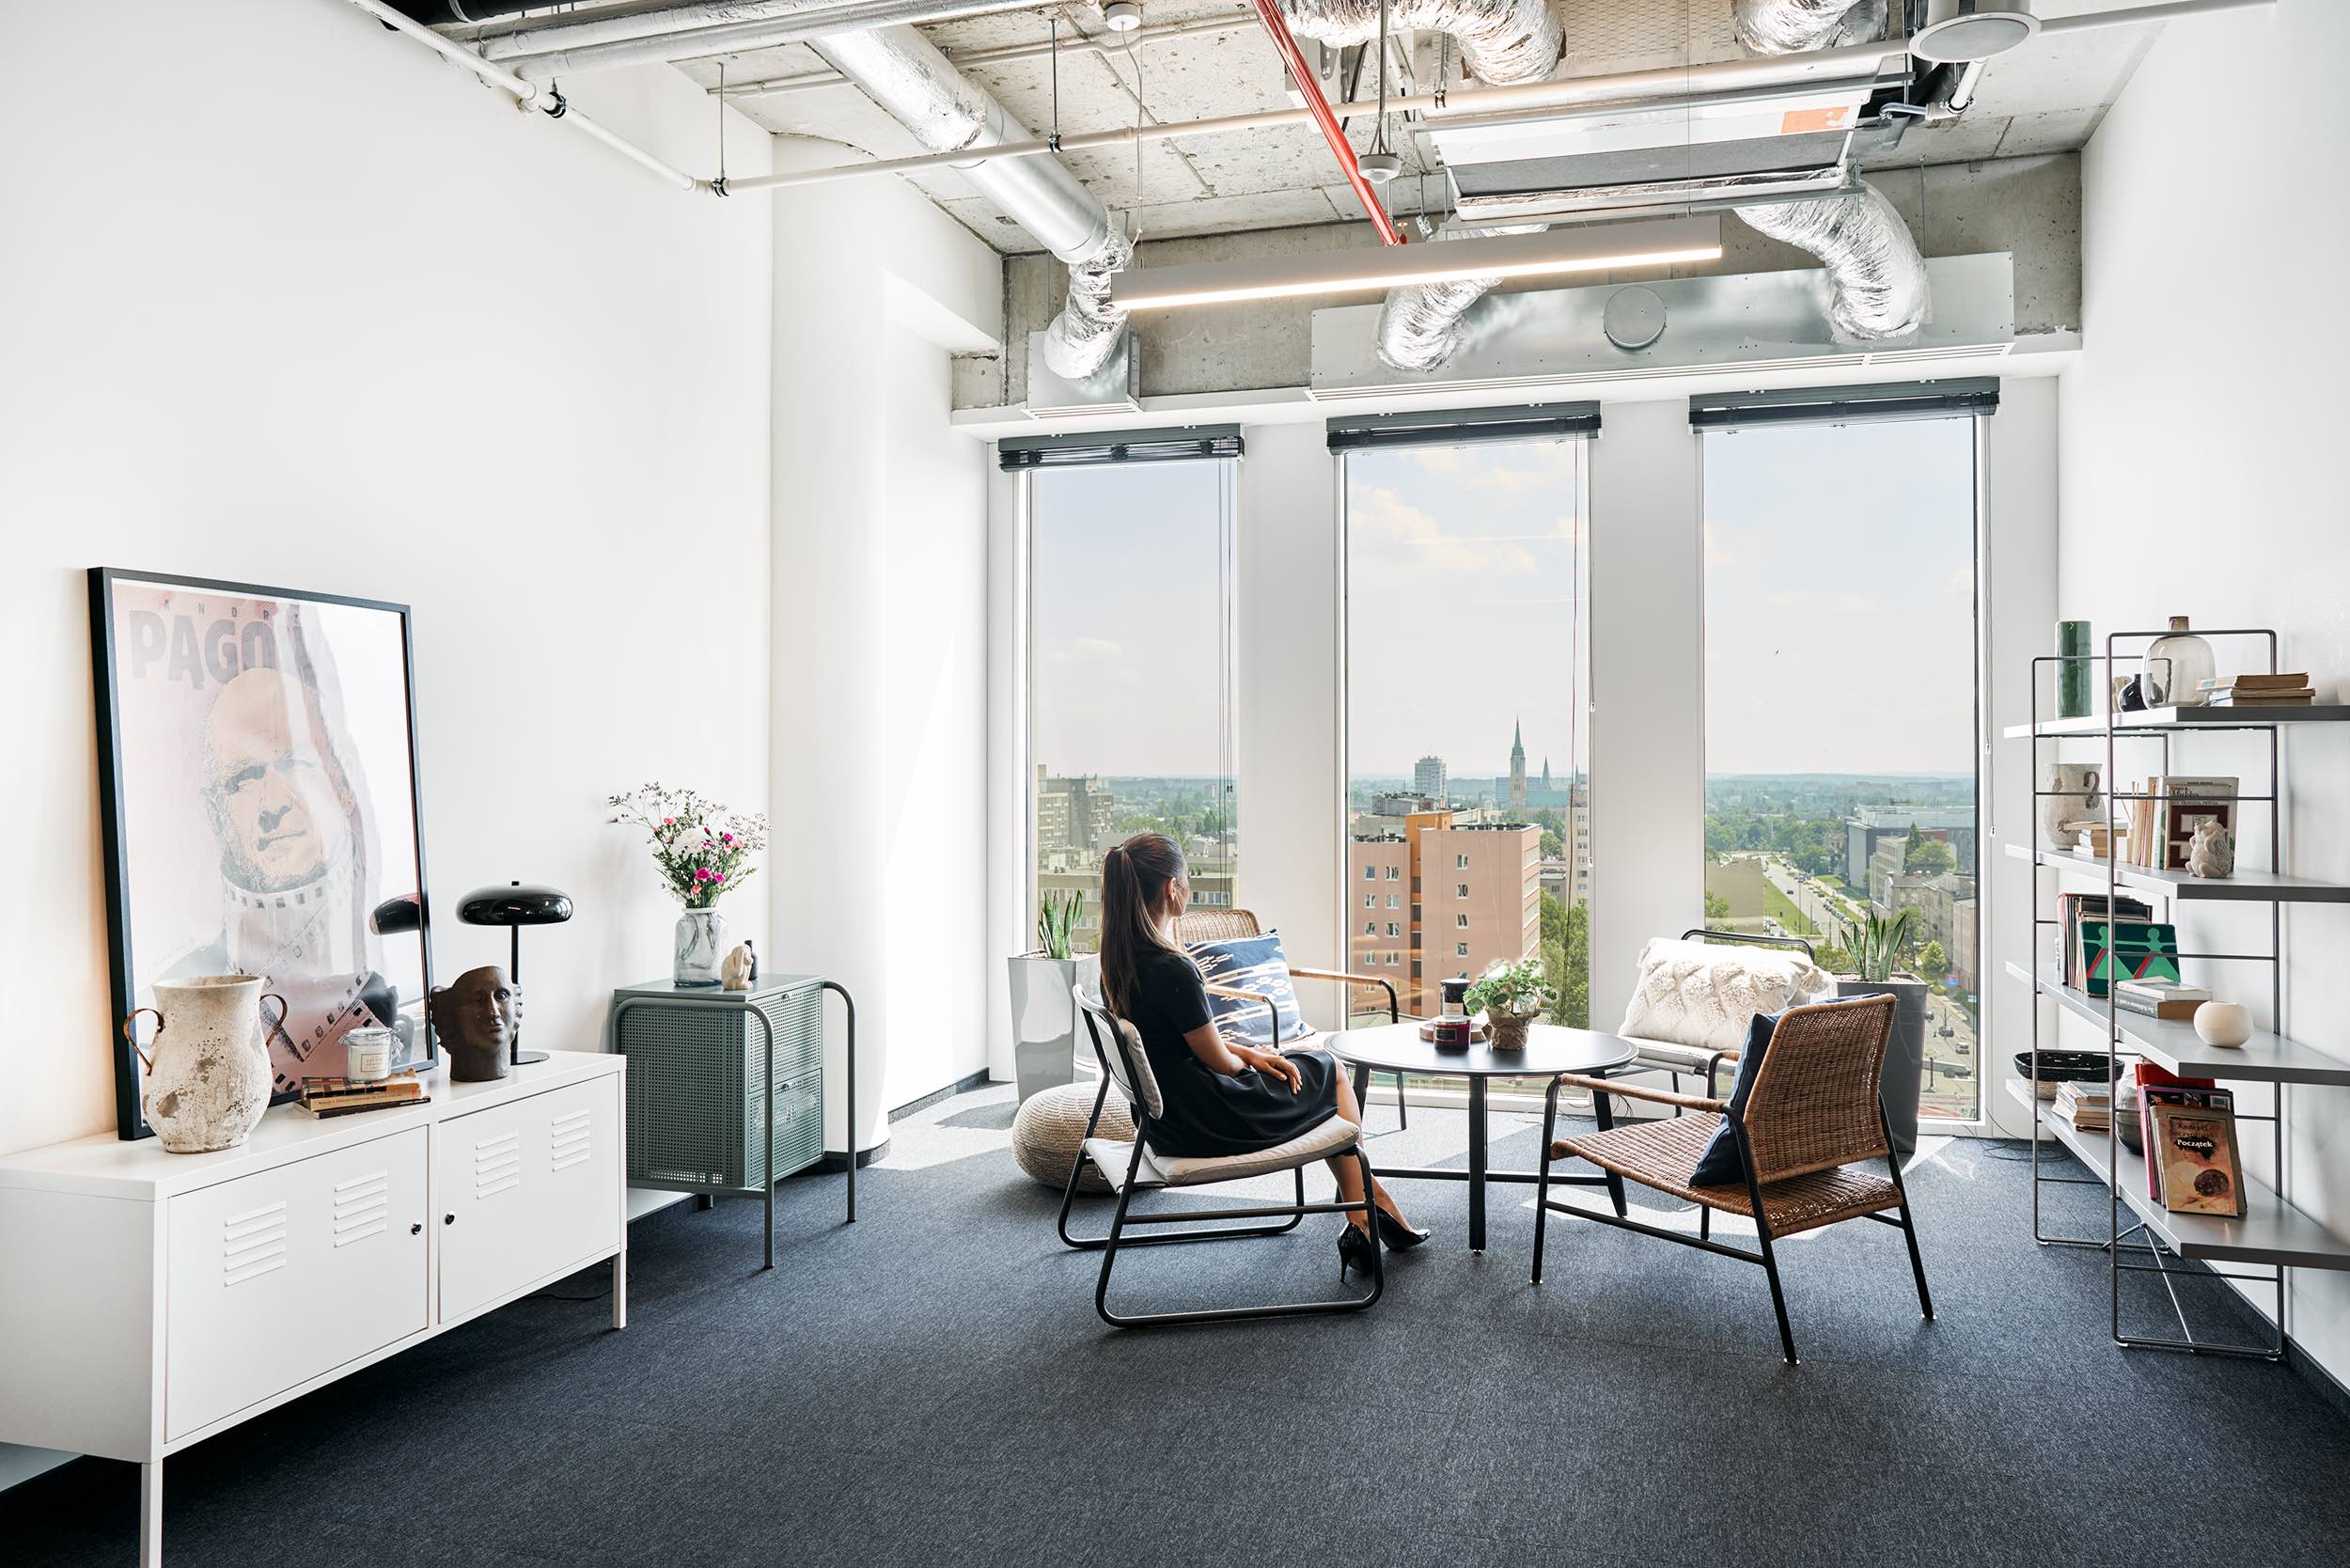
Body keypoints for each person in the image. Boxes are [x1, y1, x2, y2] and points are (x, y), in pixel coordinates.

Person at [1096, 832, 1428, 1278]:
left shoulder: (1116, 964)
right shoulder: (1172, 969)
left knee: (1305, 1070)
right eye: (1188, 882)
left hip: (1164, 1120)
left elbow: (1184, 1044)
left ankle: (1367, 1213)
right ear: (1172, 889)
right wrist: (1247, 1059)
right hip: (1207, 1121)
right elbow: (1221, 1063)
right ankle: (1368, 1209)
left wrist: (1251, 1054)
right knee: (1328, 1070)